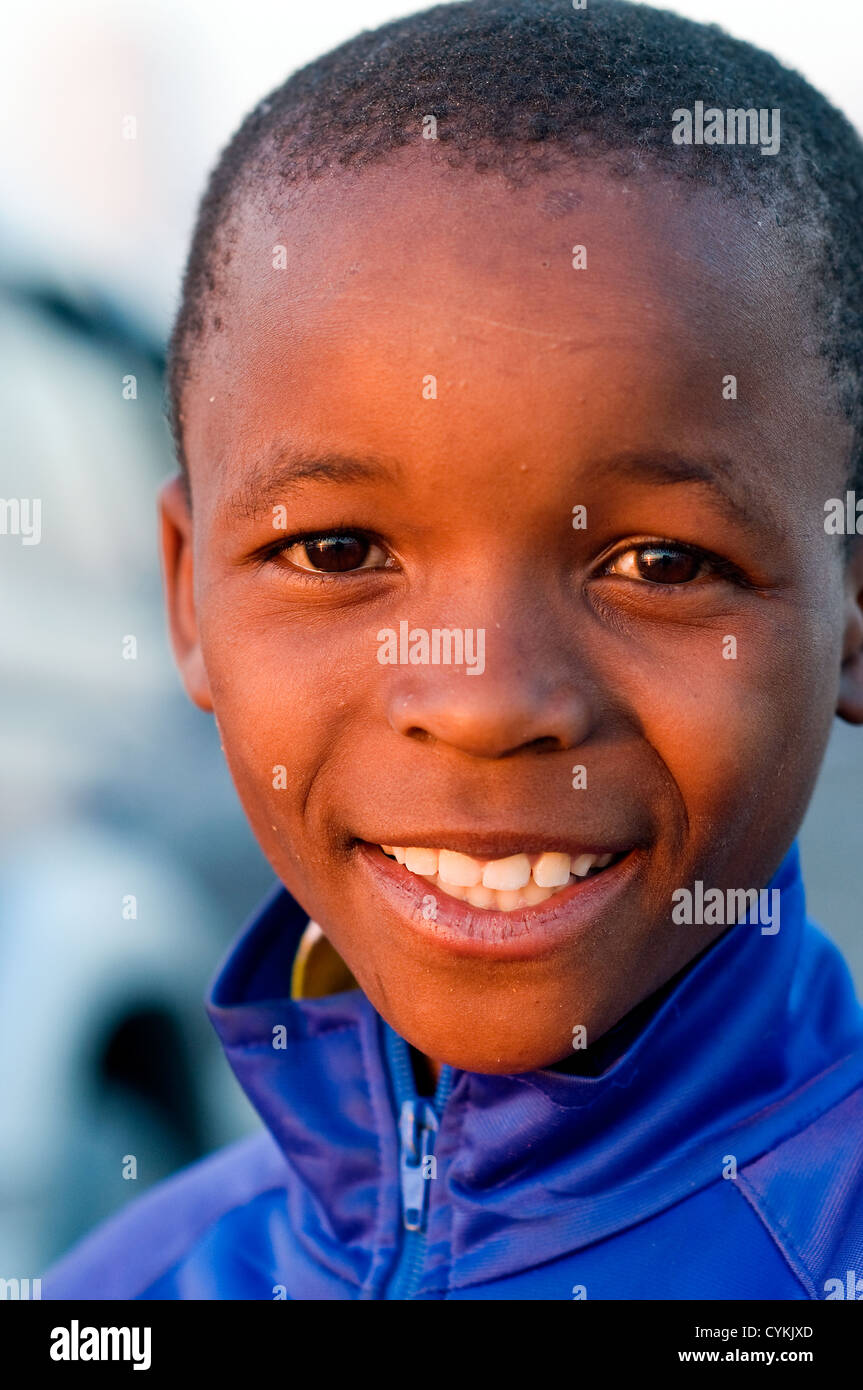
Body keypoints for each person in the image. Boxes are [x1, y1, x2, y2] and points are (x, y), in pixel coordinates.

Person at [46, 0, 863, 1299]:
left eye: (658, 564)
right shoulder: (132, 1286)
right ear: (190, 593)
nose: (484, 700)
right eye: (338, 550)